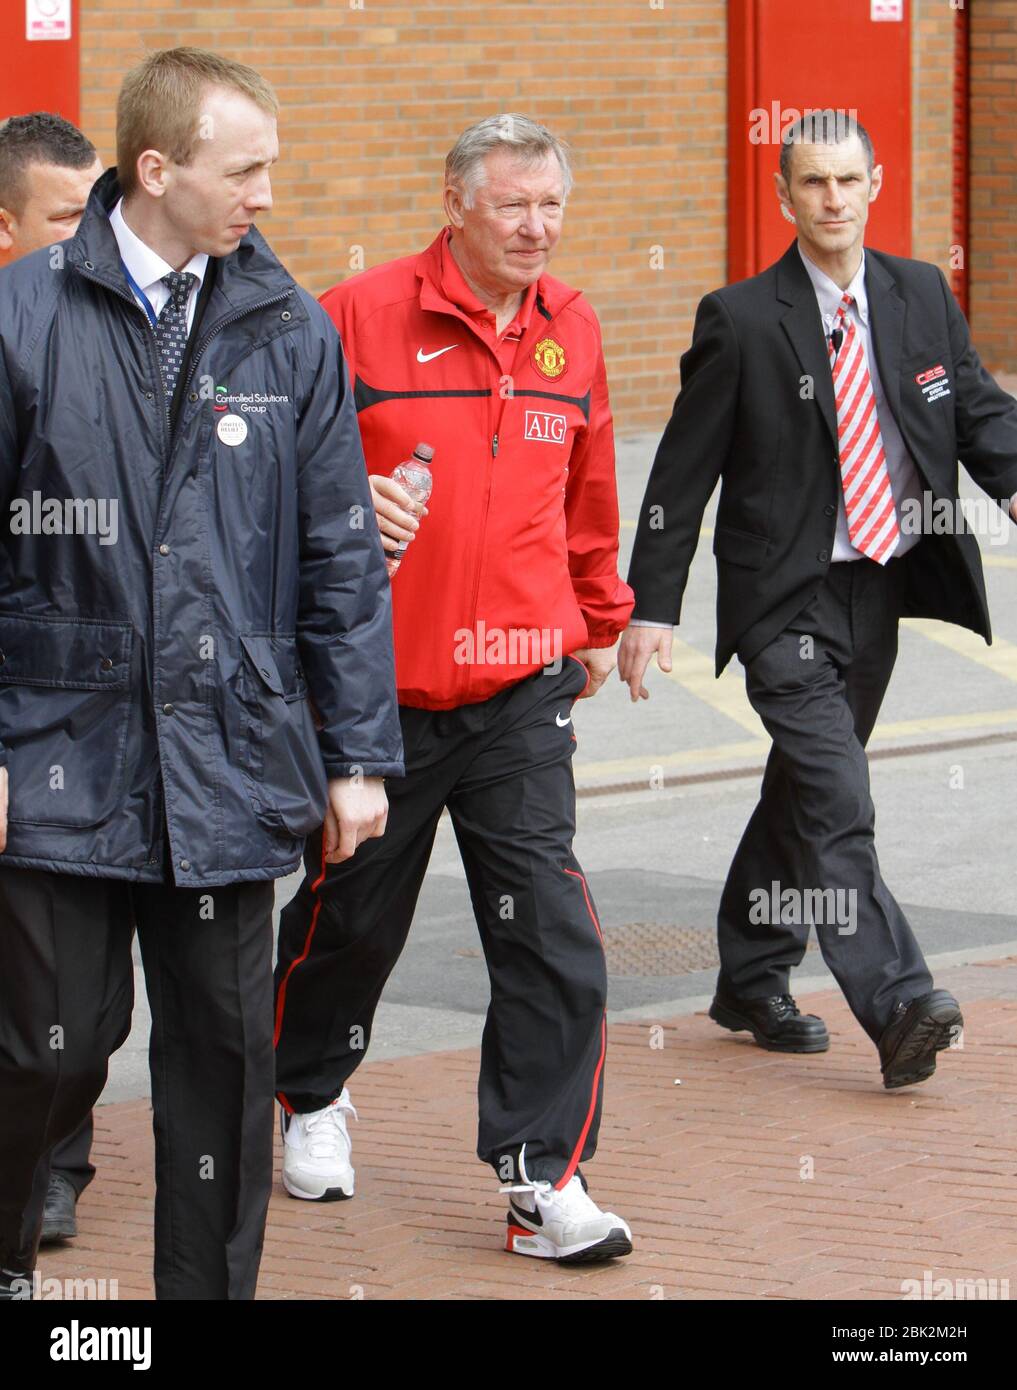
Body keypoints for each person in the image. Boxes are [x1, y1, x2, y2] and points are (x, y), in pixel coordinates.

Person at [0, 46, 402, 1301]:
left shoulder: (286, 329)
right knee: (45, 1052)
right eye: (248, 168)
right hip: (56, 753)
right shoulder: (23, 317)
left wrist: (356, 754)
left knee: (226, 1066)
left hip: (231, 762)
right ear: (158, 167)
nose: (268, 194)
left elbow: (338, 554)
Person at [274, 114, 635, 1263]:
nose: (538, 228)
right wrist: (344, 516)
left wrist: (599, 619)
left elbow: (588, 490)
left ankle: (544, 1178)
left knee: (548, 929)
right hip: (378, 693)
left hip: (522, 690)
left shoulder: (571, 330)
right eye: (515, 204)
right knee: (351, 920)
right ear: (456, 200)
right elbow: (273, 483)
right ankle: (311, 1094)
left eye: (553, 207)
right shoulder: (357, 317)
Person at [619, 110, 1017, 1090]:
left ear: (875, 184)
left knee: (805, 786)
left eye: (848, 181)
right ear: (785, 195)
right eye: (813, 184)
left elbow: (972, 405)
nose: (832, 200)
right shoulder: (744, 318)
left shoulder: (919, 294)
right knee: (839, 797)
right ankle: (901, 1002)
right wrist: (651, 604)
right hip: (782, 600)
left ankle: (750, 979)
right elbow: (680, 468)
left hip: (878, 590)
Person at [0, 112, 105, 1246]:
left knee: (89, 1010)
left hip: (100, 735)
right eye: (67, 220)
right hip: (23, 733)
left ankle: (54, 1159)